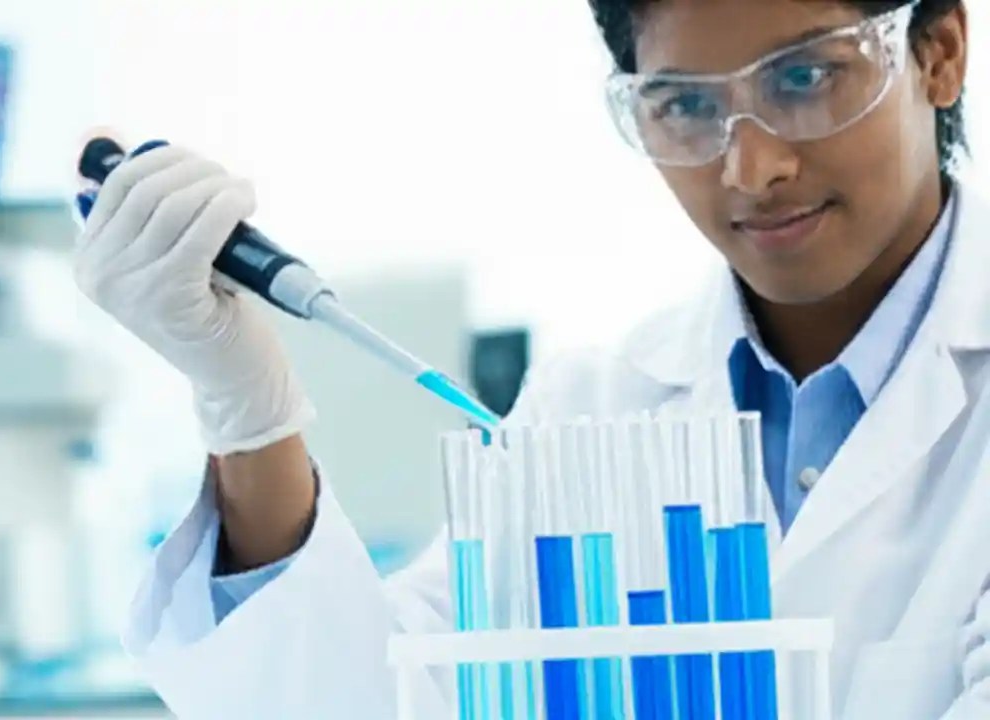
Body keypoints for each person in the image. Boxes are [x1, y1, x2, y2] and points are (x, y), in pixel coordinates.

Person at [73, 0, 990, 717]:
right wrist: (247, 408)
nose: (751, 168)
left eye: (804, 77)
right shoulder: (589, 411)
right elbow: (364, 700)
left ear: (939, 52)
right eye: (687, 106)